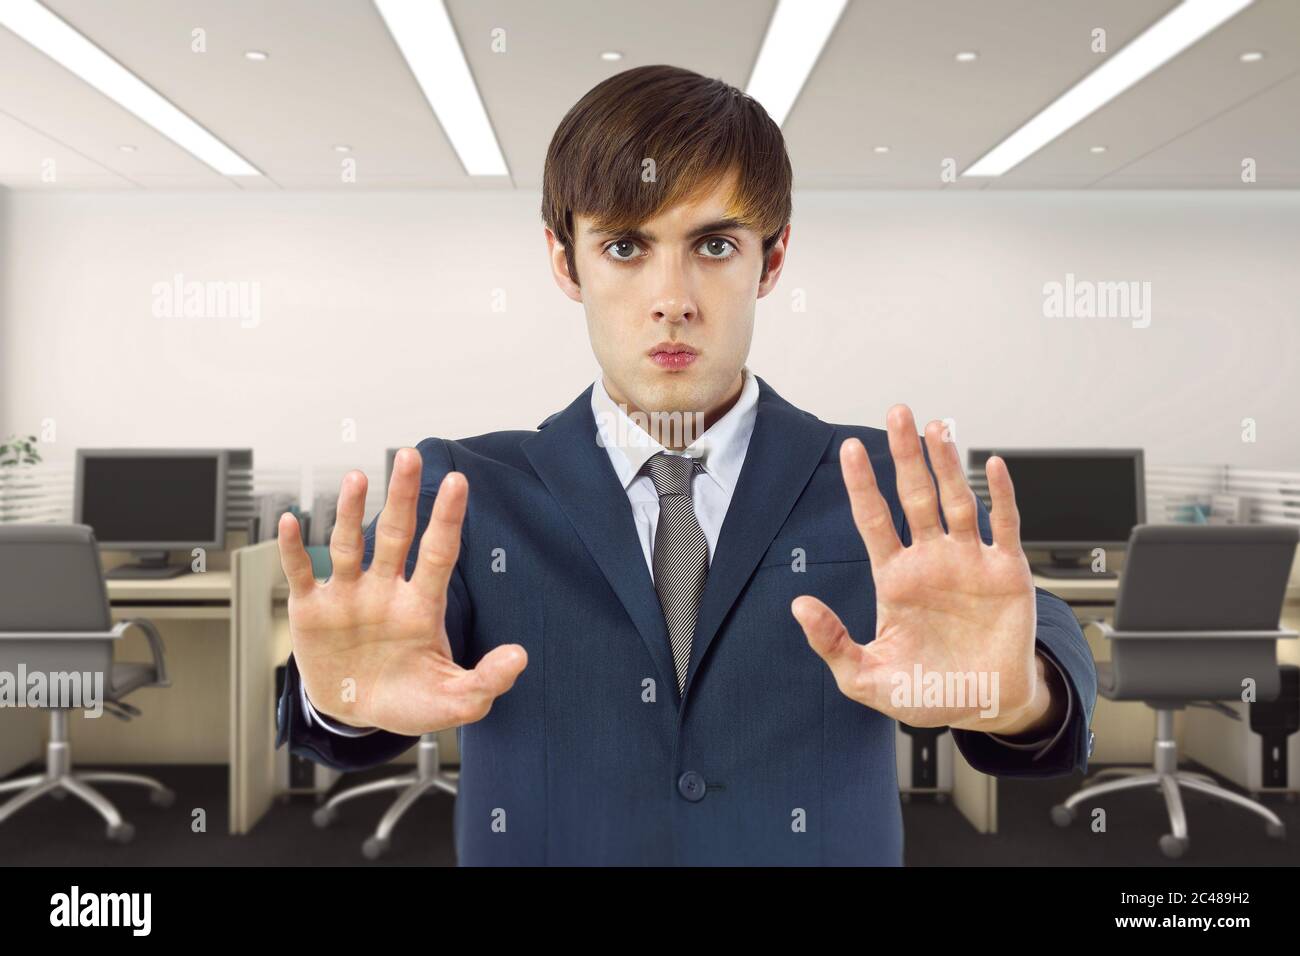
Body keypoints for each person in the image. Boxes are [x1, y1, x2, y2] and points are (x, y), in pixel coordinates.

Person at [275, 64, 1096, 865]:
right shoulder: (467, 490)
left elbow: (1037, 630)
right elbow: (359, 692)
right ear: (567, 263)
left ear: (770, 262)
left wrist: (1024, 693)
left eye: (713, 244)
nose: (673, 297)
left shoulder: (878, 479)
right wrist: (341, 700)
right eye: (627, 246)